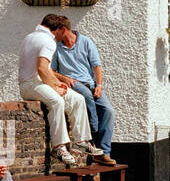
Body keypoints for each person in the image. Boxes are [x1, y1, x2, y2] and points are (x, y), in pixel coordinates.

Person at [18, 13, 103, 169]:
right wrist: (56, 88)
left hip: (37, 83)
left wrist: (58, 83)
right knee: (56, 101)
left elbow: (46, 69)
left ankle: (80, 142)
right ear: (59, 29)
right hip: (30, 85)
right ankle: (59, 148)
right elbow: (42, 68)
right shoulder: (48, 41)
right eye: (62, 34)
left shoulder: (30, 37)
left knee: (77, 99)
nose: (61, 38)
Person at [53, 27, 118, 165]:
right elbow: (51, 71)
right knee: (87, 96)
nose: (54, 34)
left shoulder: (86, 42)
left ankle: (103, 152)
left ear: (64, 30)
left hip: (90, 83)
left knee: (108, 111)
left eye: (56, 31)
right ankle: (93, 134)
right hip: (72, 83)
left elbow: (97, 66)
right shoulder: (56, 47)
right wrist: (64, 78)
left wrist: (99, 85)